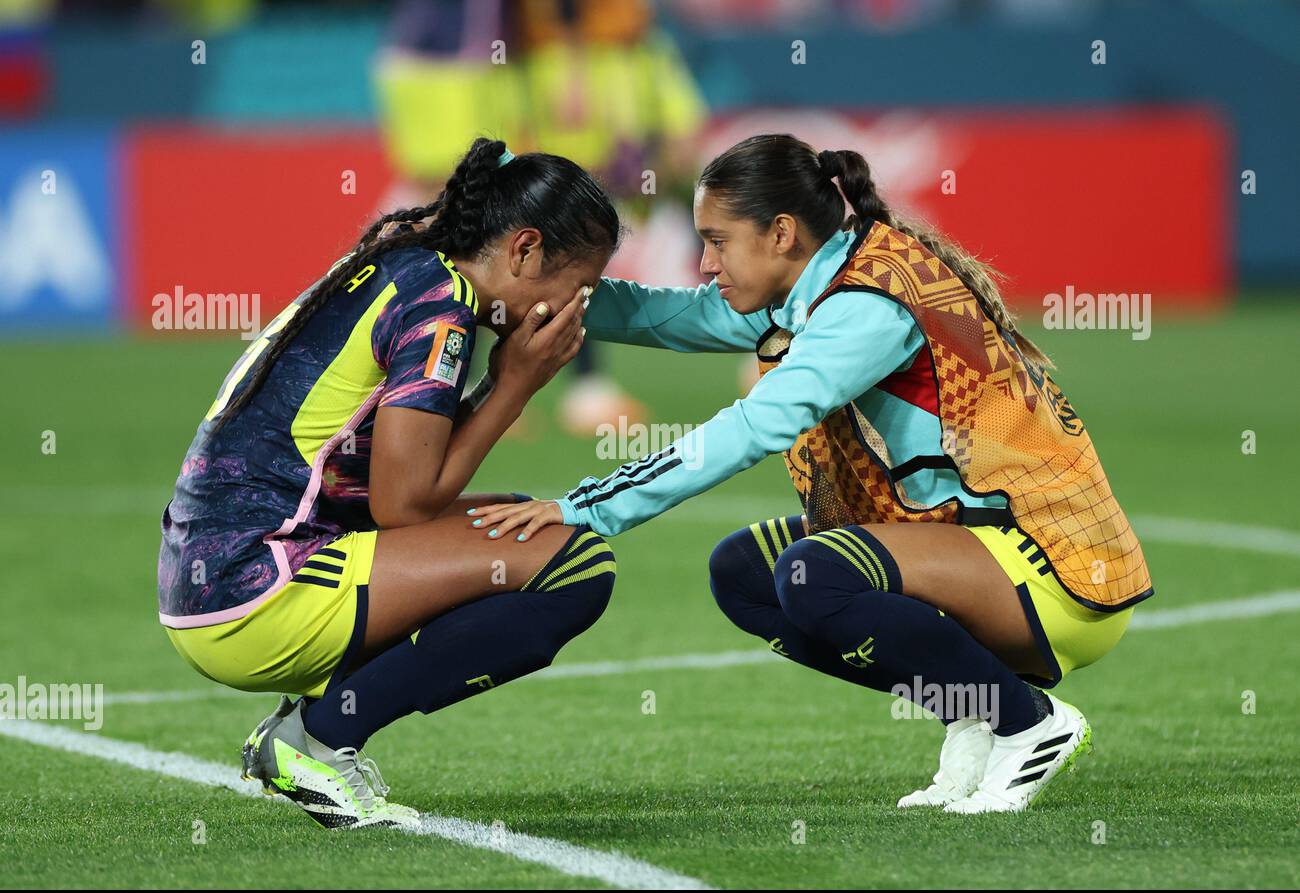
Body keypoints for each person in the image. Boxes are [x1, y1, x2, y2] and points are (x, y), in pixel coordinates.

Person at [467, 133, 1155, 814]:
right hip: (971, 543)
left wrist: (589, 504)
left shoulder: (864, 309)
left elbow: (754, 426)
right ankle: (973, 705)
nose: (704, 263)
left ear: (781, 233)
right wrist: (514, 283)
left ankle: (1028, 723)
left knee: (814, 574)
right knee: (745, 573)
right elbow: (665, 313)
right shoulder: (817, 281)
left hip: (1052, 566)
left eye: (717, 240)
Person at [157, 138, 622, 830]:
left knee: (523, 521)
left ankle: (302, 726)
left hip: (211, 576)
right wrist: (516, 383)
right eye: (577, 288)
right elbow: (403, 503)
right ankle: (318, 737)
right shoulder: (442, 303)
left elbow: (391, 480)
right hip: (256, 588)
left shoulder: (407, 268)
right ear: (524, 251)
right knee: (576, 564)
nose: (577, 310)